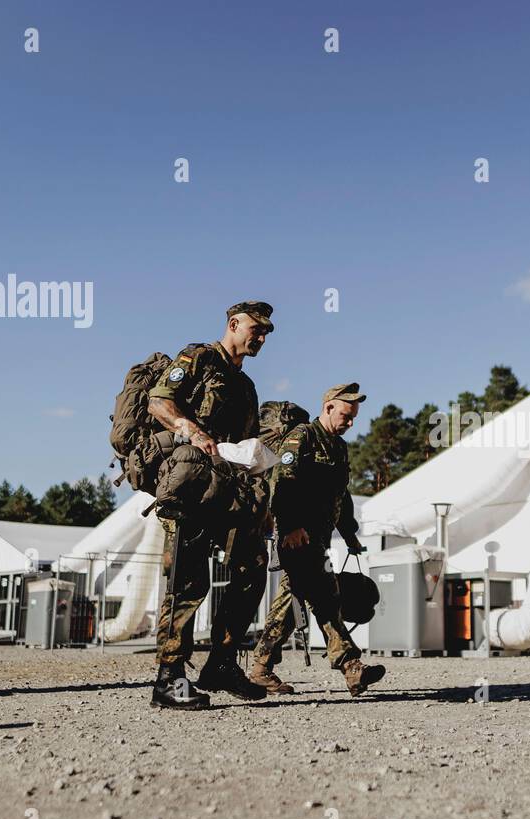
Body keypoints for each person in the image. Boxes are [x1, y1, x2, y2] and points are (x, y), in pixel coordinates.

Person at [144, 301, 275, 710]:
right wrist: (193, 431)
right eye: (256, 329)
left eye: (266, 333)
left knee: (252, 567)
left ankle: (221, 662)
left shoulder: (247, 386)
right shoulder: (198, 357)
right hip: (193, 487)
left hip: (231, 490)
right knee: (189, 580)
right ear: (233, 324)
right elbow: (158, 401)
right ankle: (169, 678)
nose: (261, 337)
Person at [250, 383, 385, 696]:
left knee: (297, 600)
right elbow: (281, 483)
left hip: (318, 538)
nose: (350, 423)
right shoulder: (302, 437)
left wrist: (349, 535)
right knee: (323, 598)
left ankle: (261, 668)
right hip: (296, 537)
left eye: (353, 418)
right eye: (346, 416)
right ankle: (351, 667)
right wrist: (292, 526)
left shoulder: (338, 448)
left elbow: (338, 497)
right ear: (328, 408)